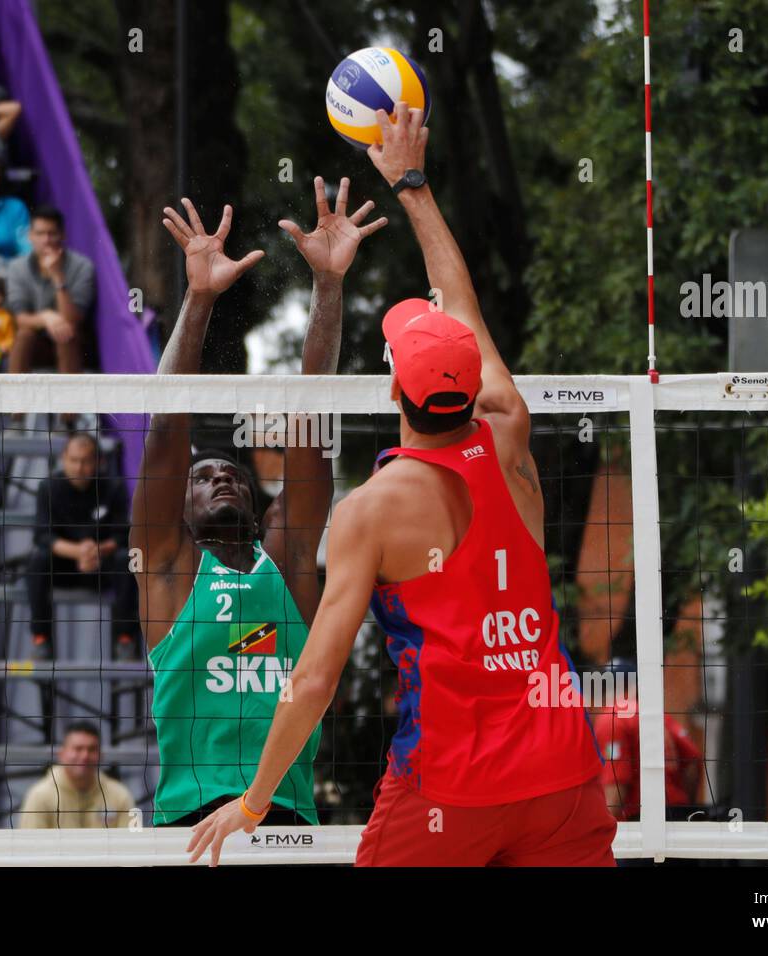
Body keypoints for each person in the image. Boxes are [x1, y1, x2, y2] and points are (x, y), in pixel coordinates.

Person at [188, 103, 616, 868]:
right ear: (470, 385)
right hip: (562, 780)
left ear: (393, 393)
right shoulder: (510, 435)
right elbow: (464, 304)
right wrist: (411, 186)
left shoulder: (369, 515)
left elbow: (315, 678)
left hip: (449, 790)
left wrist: (253, 802)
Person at [133, 178, 386, 829]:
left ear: (258, 500)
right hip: (190, 825)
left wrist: (328, 286)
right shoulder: (170, 568)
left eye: (233, 475)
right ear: (180, 514)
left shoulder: (290, 560)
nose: (221, 479)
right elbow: (167, 428)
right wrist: (198, 298)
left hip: (283, 821)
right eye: (203, 477)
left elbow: (311, 414)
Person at [25, 432, 137, 659]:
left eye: (85, 461)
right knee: (37, 559)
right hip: (64, 566)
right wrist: (78, 551)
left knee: (129, 559)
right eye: (74, 460)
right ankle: (40, 639)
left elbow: (123, 534)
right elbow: (42, 535)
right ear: (64, 459)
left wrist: (98, 550)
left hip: (102, 566)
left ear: (98, 462)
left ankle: (126, 639)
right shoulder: (49, 488)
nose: (79, 467)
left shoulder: (113, 487)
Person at [594, 658, 704, 825]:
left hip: (639, 821)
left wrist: (603, 826)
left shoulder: (612, 719)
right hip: (677, 816)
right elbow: (692, 761)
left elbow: (616, 783)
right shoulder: (658, 717)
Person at [6, 205, 95, 376]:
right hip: (34, 340)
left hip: (72, 342)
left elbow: (72, 320)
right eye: (39, 234)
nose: (46, 240)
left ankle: (71, 399)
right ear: (30, 236)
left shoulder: (83, 266)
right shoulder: (17, 267)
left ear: (62, 235)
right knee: (24, 334)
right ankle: (14, 399)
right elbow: (21, 318)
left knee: (66, 332)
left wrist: (57, 277)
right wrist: (46, 317)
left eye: (51, 233)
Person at [17, 723, 135, 829]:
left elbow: (133, 844)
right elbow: (31, 848)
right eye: (77, 749)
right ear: (62, 754)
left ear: (101, 755)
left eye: (92, 749)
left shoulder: (120, 795)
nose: (85, 756)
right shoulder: (40, 796)